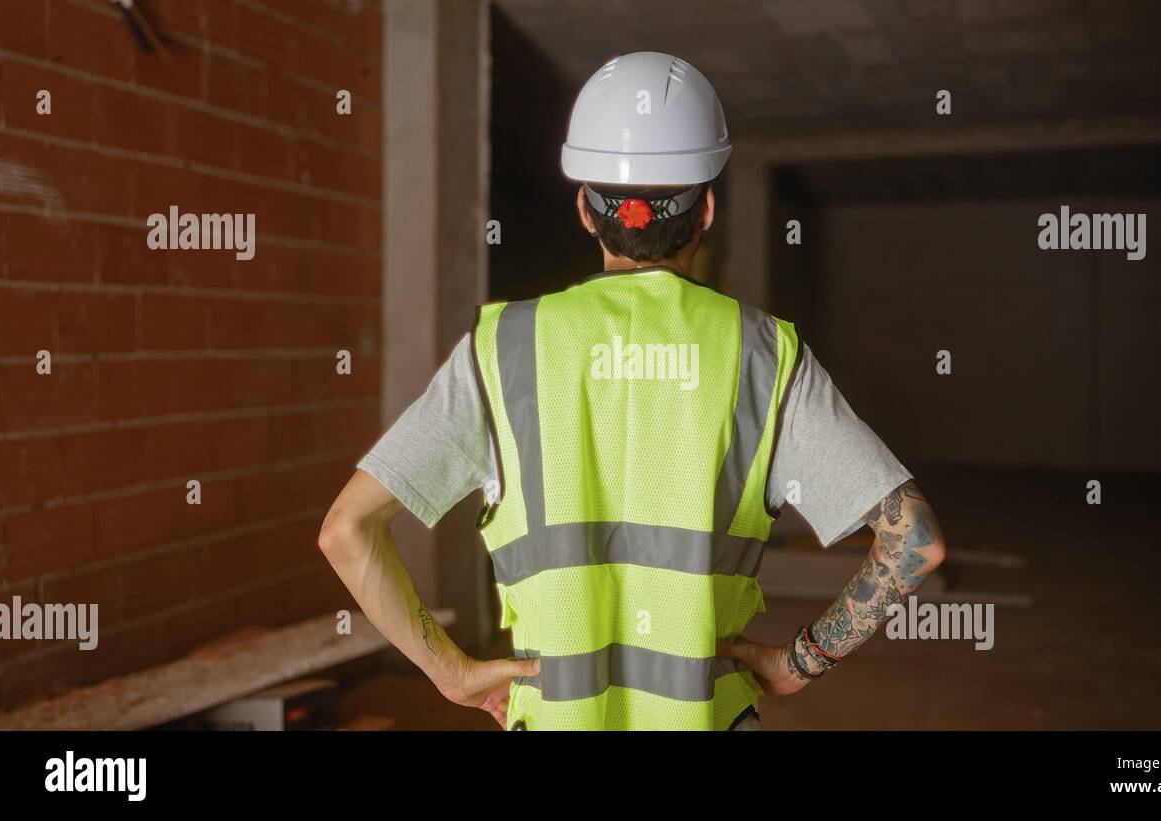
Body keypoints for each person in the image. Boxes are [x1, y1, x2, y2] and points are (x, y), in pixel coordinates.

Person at [318, 51, 946, 731]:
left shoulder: (502, 351)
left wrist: (453, 672)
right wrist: (799, 660)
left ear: (586, 211)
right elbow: (915, 543)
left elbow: (346, 532)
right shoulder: (765, 356)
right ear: (705, 209)